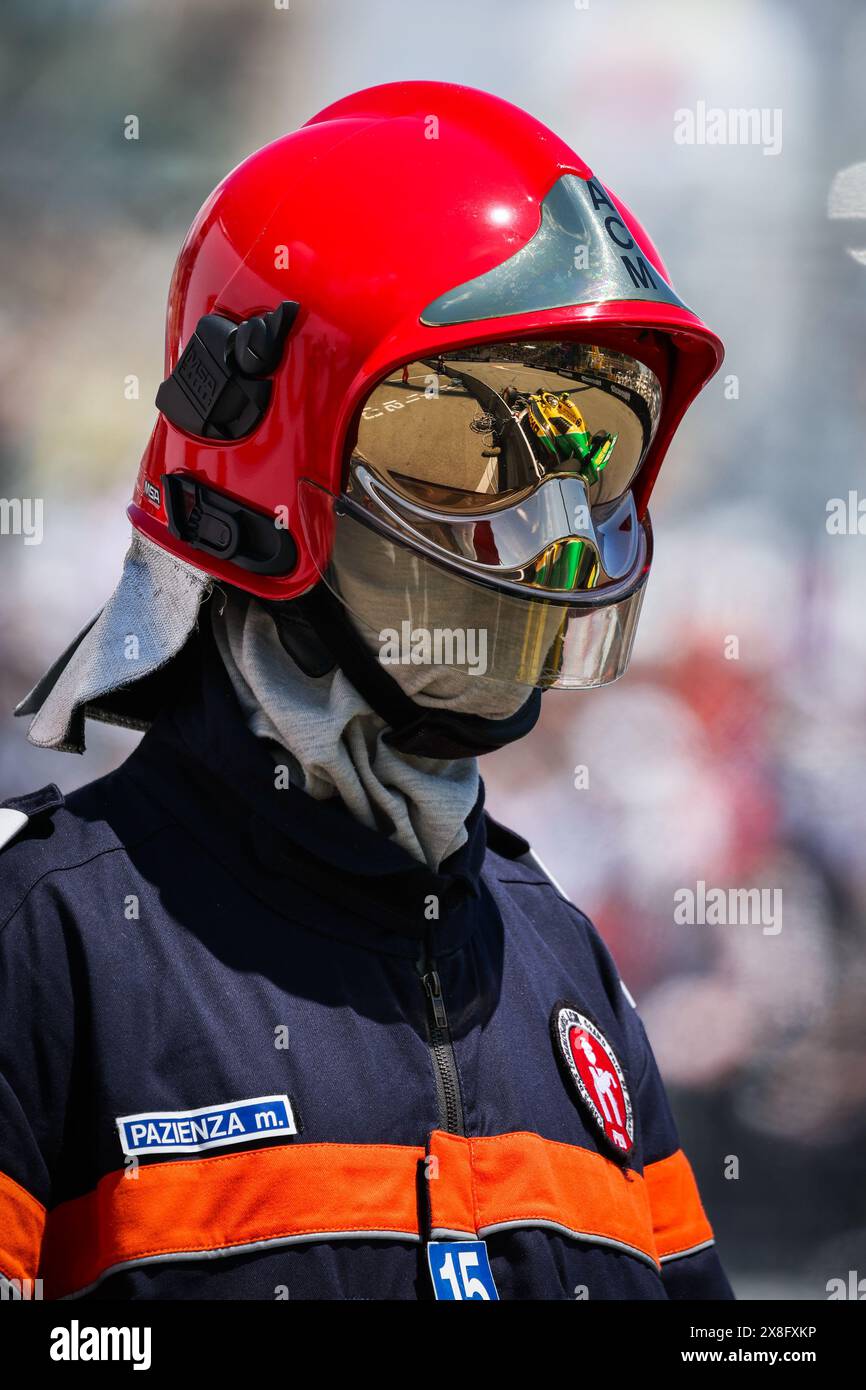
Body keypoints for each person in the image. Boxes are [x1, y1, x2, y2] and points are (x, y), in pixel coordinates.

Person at [0, 82, 732, 1301]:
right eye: (459, 457)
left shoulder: (561, 954)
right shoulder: (50, 941)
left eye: (586, 449)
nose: (547, 540)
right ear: (266, 461)